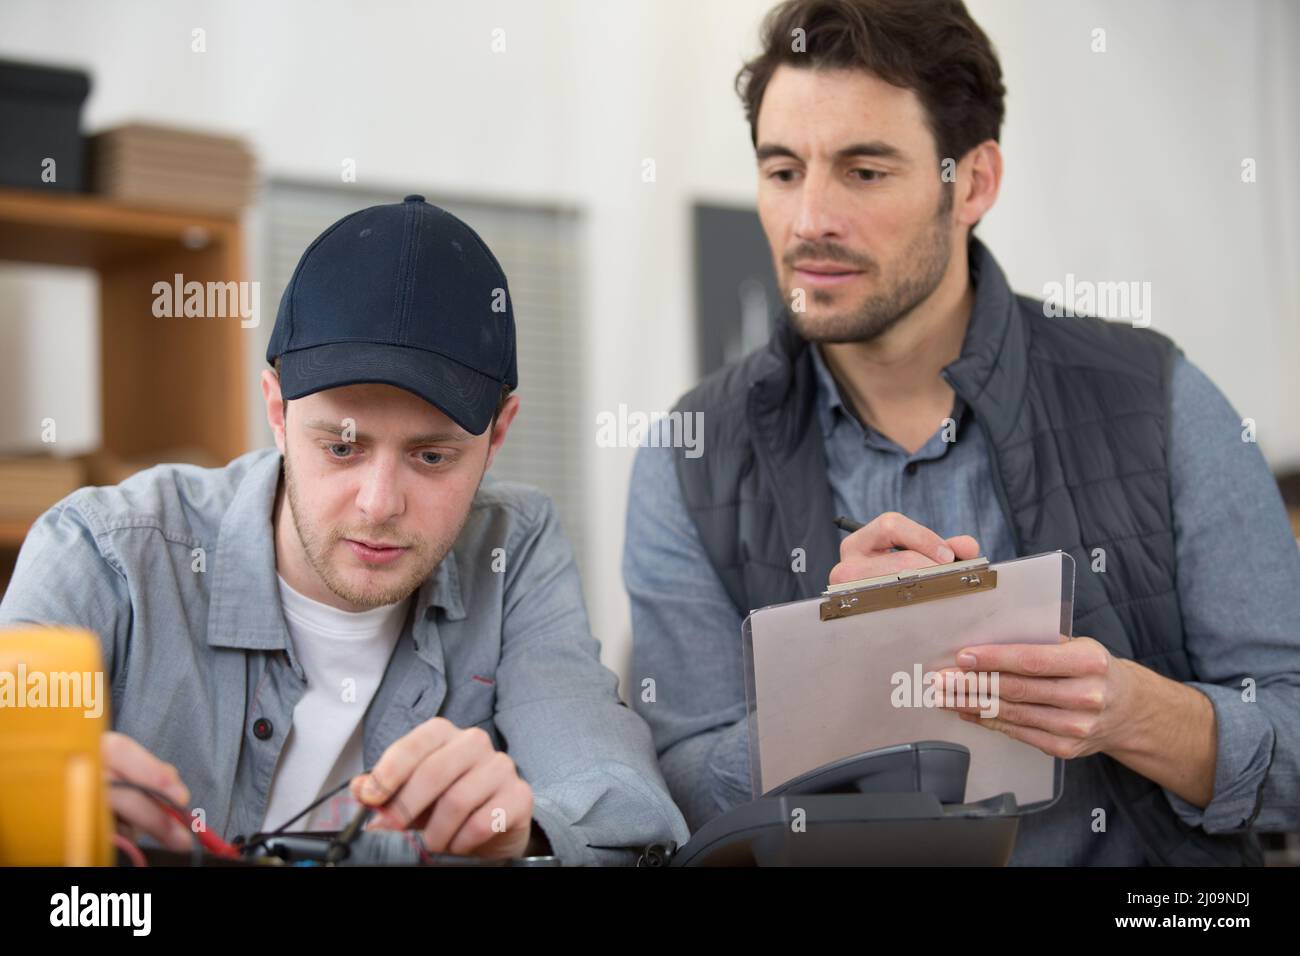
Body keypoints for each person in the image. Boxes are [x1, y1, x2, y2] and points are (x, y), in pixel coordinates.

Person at [623, 0, 1300, 864]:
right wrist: (843, 681)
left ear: (972, 182)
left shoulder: (1158, 398)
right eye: (784, 171)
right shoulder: (689, 456)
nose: (809, 221)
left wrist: (1131, 710)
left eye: (864, 171)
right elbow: (674, 783)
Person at [2, 195, 687, 865]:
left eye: (431, 457)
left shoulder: (515, 548)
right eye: (341, 447)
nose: (378, 503)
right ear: (276, 409)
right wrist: (28, 805)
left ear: (497, 434)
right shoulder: (106, 553)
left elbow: (629, 813)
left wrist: (527, 835)